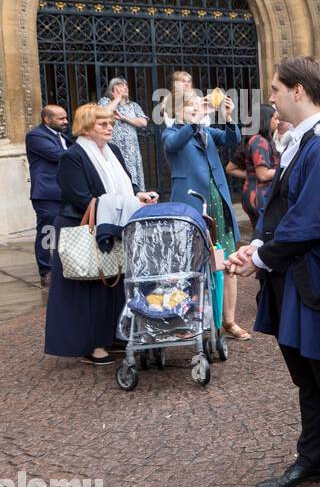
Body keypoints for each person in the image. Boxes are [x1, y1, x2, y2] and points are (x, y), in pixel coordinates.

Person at [227, 57, 320, 487]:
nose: (270, 97)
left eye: (275, 89)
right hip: (292, 278)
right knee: (306, 377)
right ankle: (312, 459)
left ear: (300, 92)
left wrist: (261, 256)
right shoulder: (301, 140)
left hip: (315, 282)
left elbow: (311, 221)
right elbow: (281, 208)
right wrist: (257, 247)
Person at [45, 104, 156, 364]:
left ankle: (113, 335)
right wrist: (122, 205)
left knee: (114, 282)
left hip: (110, 224)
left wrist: (138, 196)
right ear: (85, 126)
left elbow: (128, 184)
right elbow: (80, 196)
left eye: (111, 124)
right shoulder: (72, 156)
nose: (110, 128)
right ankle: (90, 344)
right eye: (103, 124)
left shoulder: (113, 151)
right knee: (89, 286)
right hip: (82, 226)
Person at [164, 89, 248, 341]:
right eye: (188, 106)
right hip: (193, 206)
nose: (194, 109)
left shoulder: (205, 132)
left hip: (217, 203)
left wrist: (229, 117)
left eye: (195, 105)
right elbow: (174, 144)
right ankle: (195, 321)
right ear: (176, 111)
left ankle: (229, 321)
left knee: (227, 262)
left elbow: (232, 140)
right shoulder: (169, 133)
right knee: (194, 265)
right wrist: (194, 120)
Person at [26, 105, 69, 286]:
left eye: (66, 117)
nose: (65, 121)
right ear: (47, 119)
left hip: (65, 192)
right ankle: (46, 270)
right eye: (61, 118)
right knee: (47, 232)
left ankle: (63, 267)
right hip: (47, 193)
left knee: (66, 230)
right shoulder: (36, 136)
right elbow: (57, 155)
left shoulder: (63, 136)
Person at [98, 78, 148, 190]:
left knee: (133, 177)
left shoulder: (133, 105)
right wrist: (117, 99)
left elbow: (143, 122)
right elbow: (103, 113)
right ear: (112, 89)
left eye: (126, 86)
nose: (125, 88)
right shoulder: (105, 101)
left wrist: (124, 118)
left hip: (131, 150)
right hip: (113, 146)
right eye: (120, 85)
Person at [237, 104, 281, 227]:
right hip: (259, 195)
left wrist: (251, 175)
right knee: (264, 236)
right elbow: (263, 175)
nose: (278, 122)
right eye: (275, 118)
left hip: (253, 192)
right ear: (266, 119)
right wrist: (285, 169)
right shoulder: (259, 141)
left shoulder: (255, 139)